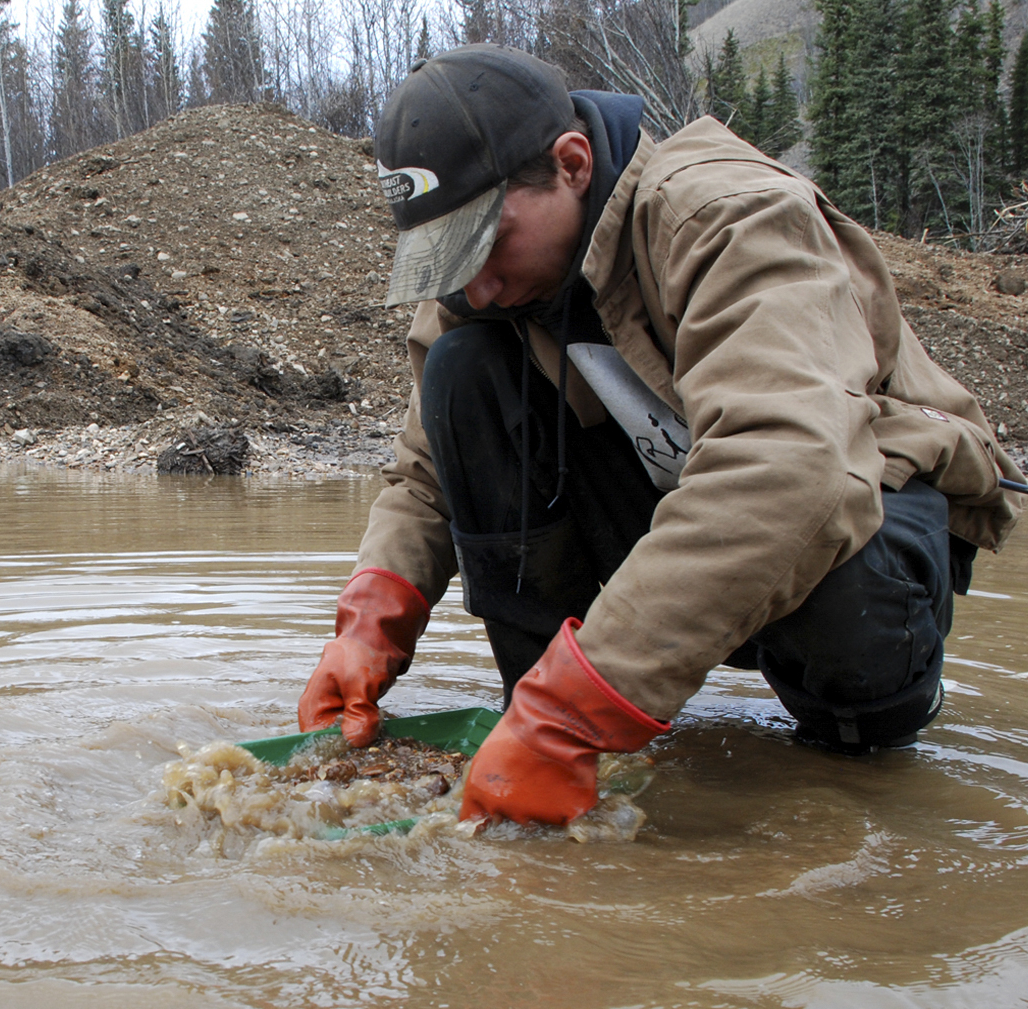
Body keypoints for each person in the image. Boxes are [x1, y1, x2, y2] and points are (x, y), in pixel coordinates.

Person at [297, 44, 1024, 827]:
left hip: (860, 510)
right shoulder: (483, 293)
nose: (474, 284)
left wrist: (572, 714)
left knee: (858, 730)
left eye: (485, 242)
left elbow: (793, 472)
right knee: (461, 365)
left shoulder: (726, 215)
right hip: (664, 507)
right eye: (446, 258)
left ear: (571, 163)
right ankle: (544, 721)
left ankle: (832, 726)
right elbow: (425, 478)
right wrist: (373, 619)